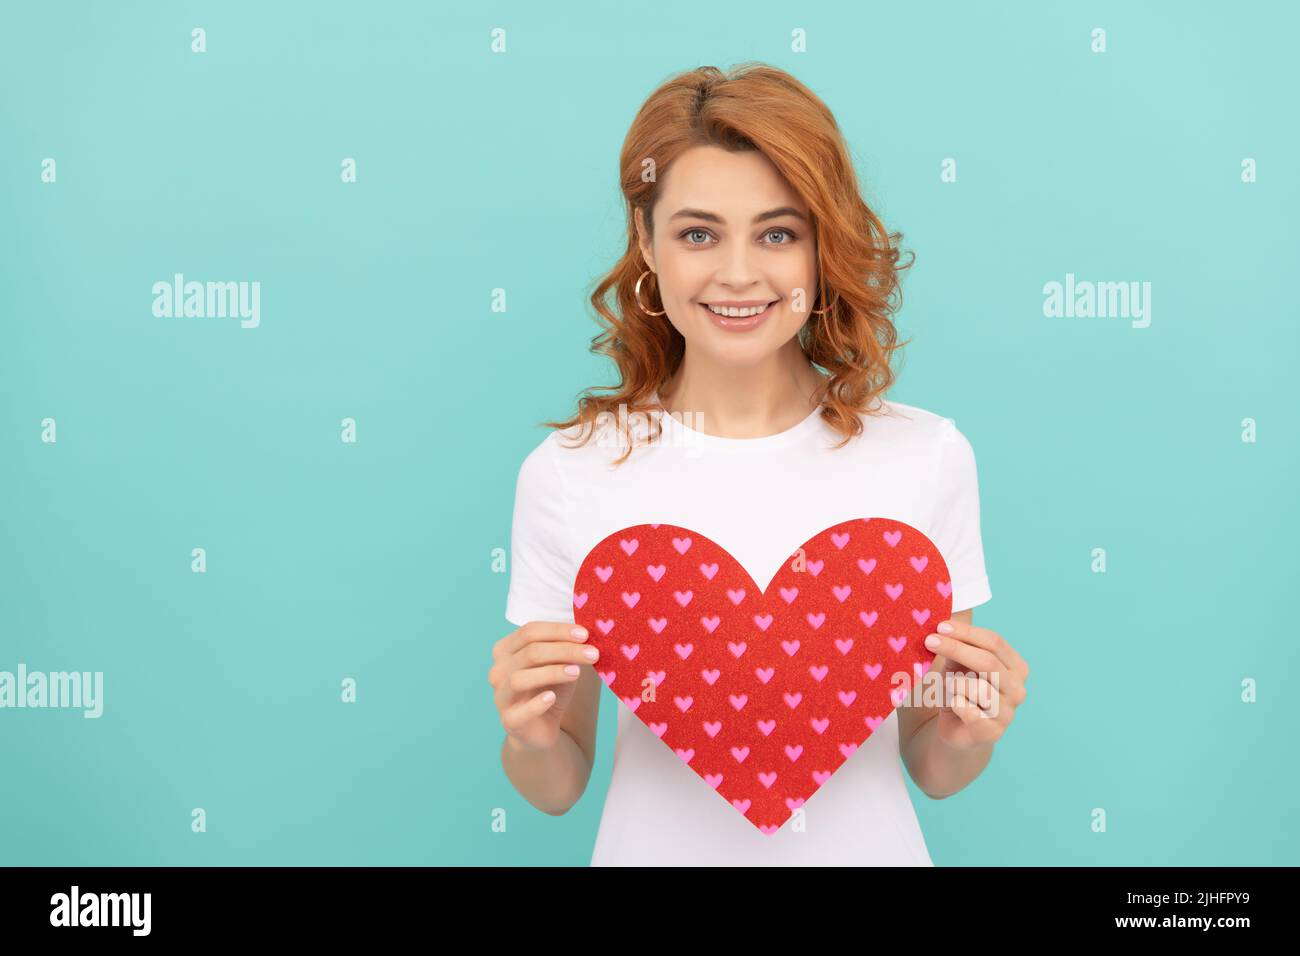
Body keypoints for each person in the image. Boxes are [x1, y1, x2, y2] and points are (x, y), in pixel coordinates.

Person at [488, 63, 1029, 866]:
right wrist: (530, 738)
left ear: (820, 246)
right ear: (646, 242)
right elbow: (560, 783)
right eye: (698, 233)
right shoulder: (571, 473)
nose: (738, 274)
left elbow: (932, 767)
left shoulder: (925, 458)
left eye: (778, 233)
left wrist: (967, 729)